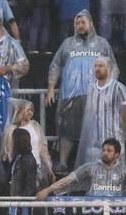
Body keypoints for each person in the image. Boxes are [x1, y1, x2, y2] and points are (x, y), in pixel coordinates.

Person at [46, 10, 112, 173]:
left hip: (96, 95)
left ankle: (94, 164)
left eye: (83, 22)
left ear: (91, 24)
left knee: (94, 131)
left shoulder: (102, 43)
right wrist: (51, 88)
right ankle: (62, 163)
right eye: (77, 23)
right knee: (66, 130)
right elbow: (55, 65)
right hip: (70, 94)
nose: (80, 26)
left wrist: (109, 87)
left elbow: (113, 67)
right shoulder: (67, 43)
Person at [75, 55, 126, 169]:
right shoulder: (91, 87)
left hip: (113, 138)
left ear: (108, 68)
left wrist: (123, 129)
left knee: (115, 173)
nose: (97, 68)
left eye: (101, 66)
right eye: (95, 66)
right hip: (93, 141)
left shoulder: (117, 87)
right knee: (93, 172)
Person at [2, 98, 53, 185]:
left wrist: (49, 168)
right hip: (20, 169)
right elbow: (10, 152)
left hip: (37, 166)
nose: (31, 113)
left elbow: (43, 149)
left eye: (32, 110)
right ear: (20, 111)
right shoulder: (12, 129)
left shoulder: (35, 126)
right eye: (28, 110)